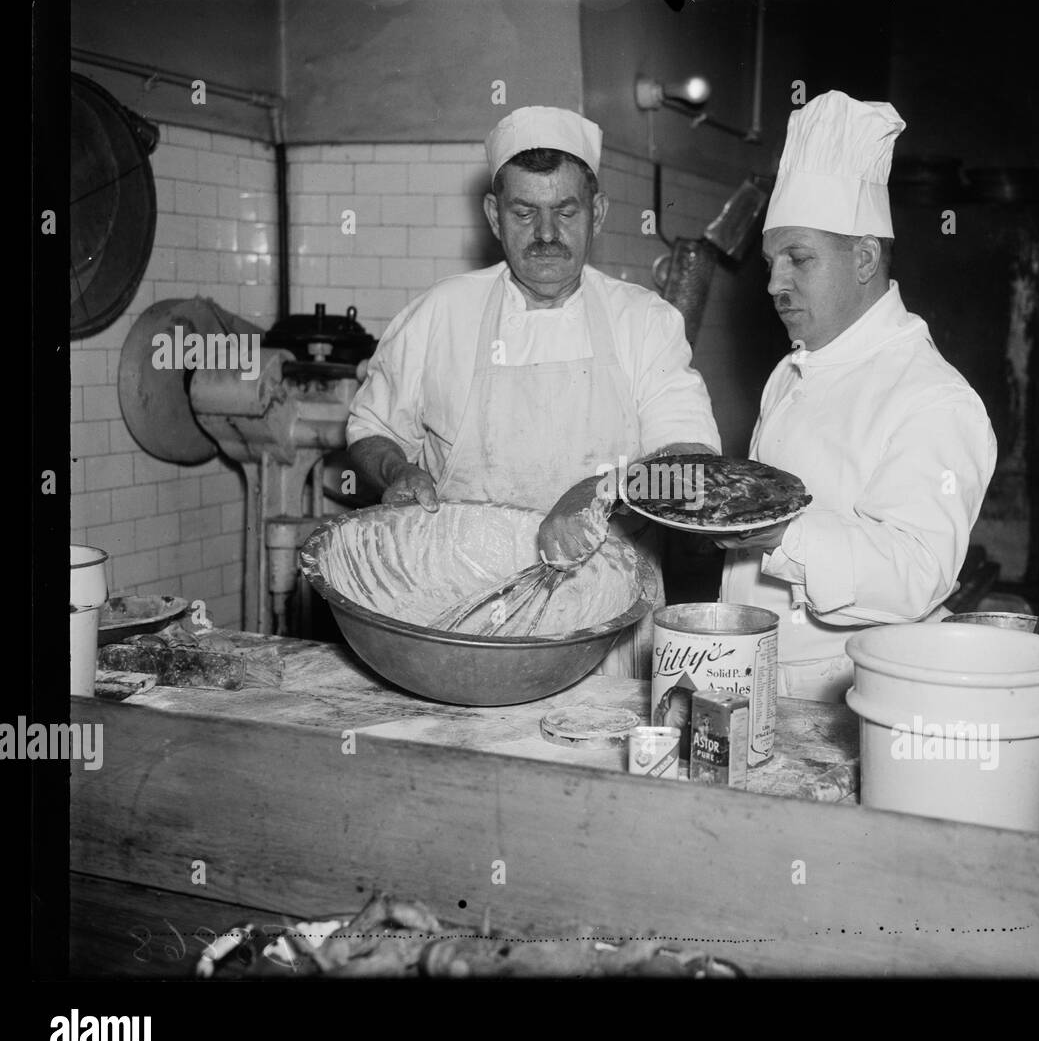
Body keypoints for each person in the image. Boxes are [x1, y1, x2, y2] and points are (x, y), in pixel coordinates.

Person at [347, 106, 721, 675]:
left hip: (611, 627)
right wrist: (395, 472)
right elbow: (371, 428)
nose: (546, 234)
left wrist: (598, 491)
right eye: (525, 213)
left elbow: (690, 464)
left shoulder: (644, 322)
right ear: (494, 216)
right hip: (464, 616)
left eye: (565, 211)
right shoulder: (440, 313)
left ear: (597, 213)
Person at [717, 91, 998, 702]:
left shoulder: (934, 399)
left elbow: (916, 574)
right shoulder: (793, 372)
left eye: (798, 259)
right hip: (759, 676)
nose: (774, 284)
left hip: (847, 696)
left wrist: (781, 534)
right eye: (770, 262)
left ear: (865, 256)